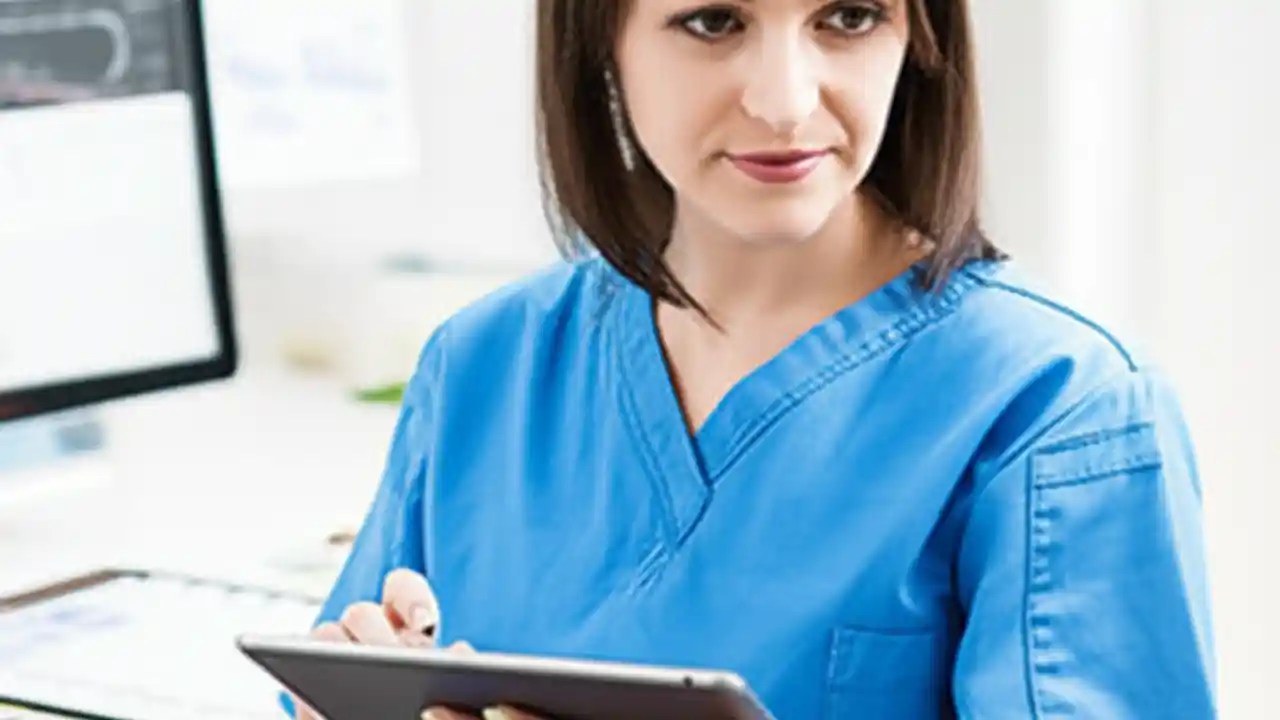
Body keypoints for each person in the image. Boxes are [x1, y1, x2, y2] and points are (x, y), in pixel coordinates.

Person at [293, 1, 1217, 718]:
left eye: (849, 18)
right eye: (714, 21)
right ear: (599, 40)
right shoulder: (486, 364)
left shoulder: (1058, 409)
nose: (785, 100)